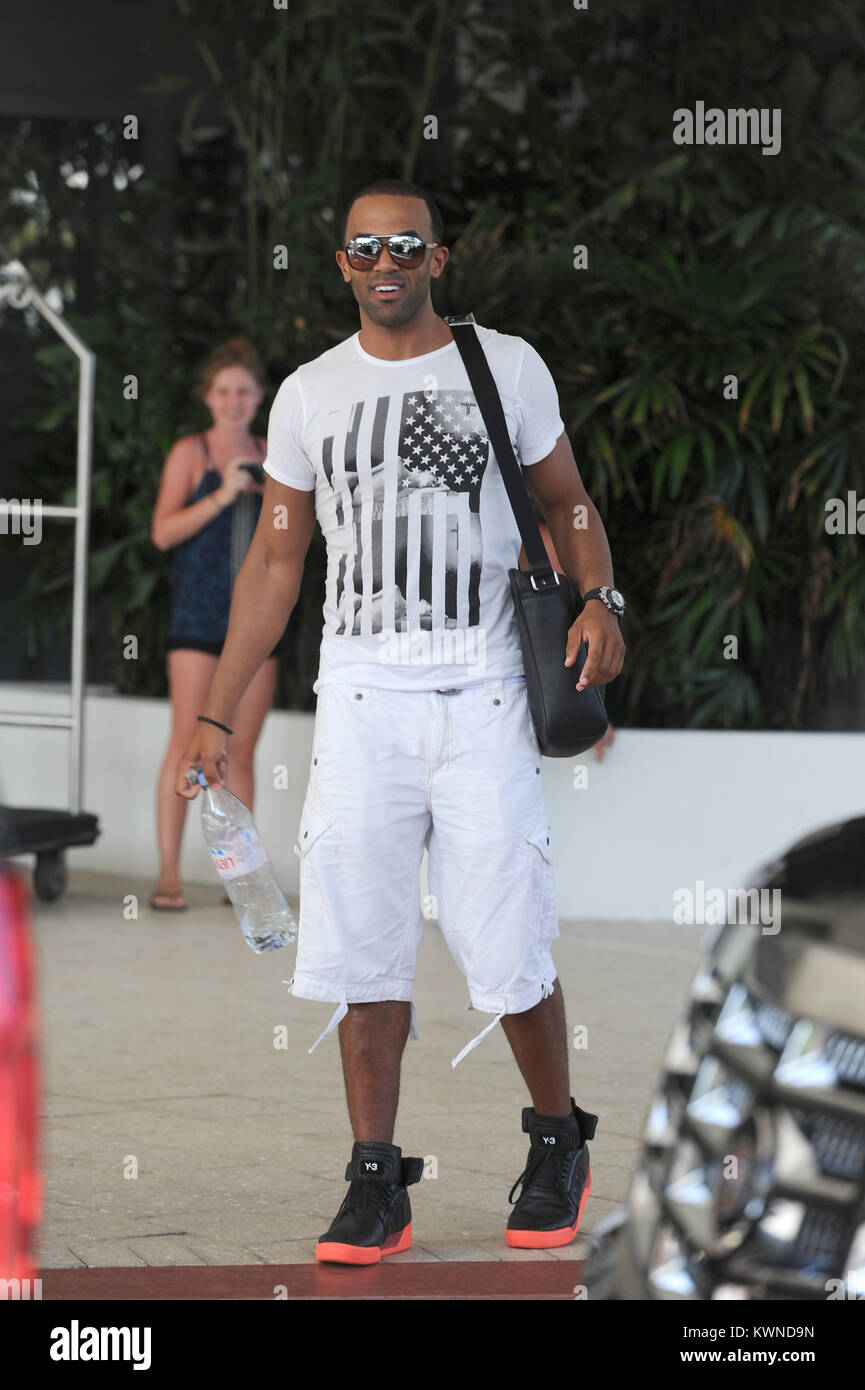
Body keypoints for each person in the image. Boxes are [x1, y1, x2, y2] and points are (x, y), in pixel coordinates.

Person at [175, 180, 626, 1263]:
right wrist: (214, 716)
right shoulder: (306, 396)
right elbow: (276, 565)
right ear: (341, 263)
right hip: (363, 700)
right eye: (365, 246)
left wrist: (603, 599)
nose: (386, 261)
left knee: (505, 929)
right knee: (359, 940)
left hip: (483, 691)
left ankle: (557, 1140)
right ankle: (377, 1180)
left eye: (406, 245)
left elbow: (565, 502)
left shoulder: (504, 365)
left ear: (437, 256)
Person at [150, 337, 284, 911]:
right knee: (187, 742)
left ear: (258, 397)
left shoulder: (273, 451)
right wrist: (224, 494)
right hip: (197, 618)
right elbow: (163, 533)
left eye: (244, 392)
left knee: (243, 751)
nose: (233, 401)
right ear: (209, 397)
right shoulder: (192, 452)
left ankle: (242, 884)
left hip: (255, 625)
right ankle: (169, 876)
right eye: (224, 391)